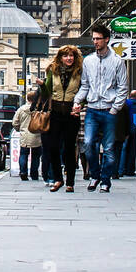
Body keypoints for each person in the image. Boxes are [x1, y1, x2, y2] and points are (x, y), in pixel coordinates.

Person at [72, 25, 129, 192]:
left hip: (109, 110)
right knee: (88, 144)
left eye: (98, 38)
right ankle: (95, 176)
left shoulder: (118, 62)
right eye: (94, 39)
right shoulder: (88, 61)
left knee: (109, 148)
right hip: (92, 109)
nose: (95, 41)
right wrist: (77, 101)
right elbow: (85, 85)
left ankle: (105, 180)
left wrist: (115, 108)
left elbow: (122, 87)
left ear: (107, 40)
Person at [40, 45, 83, 192]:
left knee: (69, 149)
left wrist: (80, 104)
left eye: (71, 56)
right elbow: (46, 92)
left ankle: (70, 182)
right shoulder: (53, 70)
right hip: (56, 112)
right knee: (53, 147)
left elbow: (85, 90)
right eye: (65, 56)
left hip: (72, 112)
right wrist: (42, 86)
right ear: (60, 58)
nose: (69, 58)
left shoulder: (80, 72)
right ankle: (58, 179)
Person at [11, 91, 42, 181]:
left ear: (27, 98)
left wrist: (19, 129)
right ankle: (34, 173)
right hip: (37, 135)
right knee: (36, 156)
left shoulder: (21, 109)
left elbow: (15, 123)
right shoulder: (38, 109)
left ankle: (23, 172)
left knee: (23, 154)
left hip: (24, 135)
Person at [119, 88, 136, 177]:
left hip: (124, 129)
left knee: (123, 149)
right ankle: (130, 170)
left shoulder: (125, 104)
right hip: (135, 129)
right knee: (132, 150)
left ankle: (120, 170)